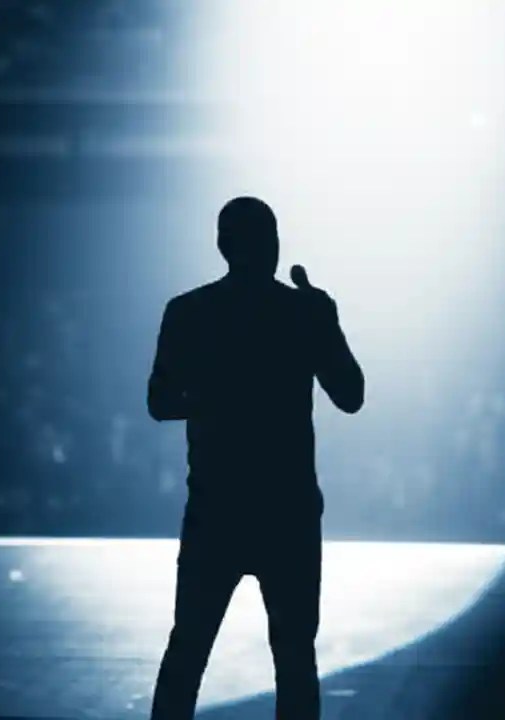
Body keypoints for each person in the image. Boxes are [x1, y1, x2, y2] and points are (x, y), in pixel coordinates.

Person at [148, 197, 364, 720]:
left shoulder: (189, 311)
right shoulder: (301, 313)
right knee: (293, 660)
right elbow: (351, 394)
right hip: (286, 511)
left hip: (215, 508)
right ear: (272, 244)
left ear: (223, 246)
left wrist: (212, 399)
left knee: (188, 652)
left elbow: (159, 402)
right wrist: (327, 322)